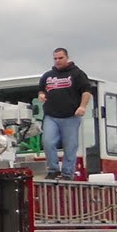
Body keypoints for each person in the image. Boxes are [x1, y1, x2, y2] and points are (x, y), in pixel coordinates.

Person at [37, 47, 93, 180]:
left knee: (70, 145)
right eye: (55, 58)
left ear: (67, 58)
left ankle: (67, 173)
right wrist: (41, 95)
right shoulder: (47, 75)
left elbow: (86, 91)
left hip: (70, 116)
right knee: (48, 141)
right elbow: (41, 90)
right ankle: (53, 169)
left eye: (60, 58)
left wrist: (82, 106)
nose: (57, 61)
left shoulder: (77, 74)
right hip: (51, 116)